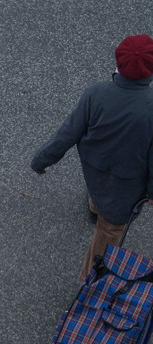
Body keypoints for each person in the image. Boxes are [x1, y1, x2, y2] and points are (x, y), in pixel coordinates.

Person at [31, 34, 153, 280]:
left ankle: (95, 205)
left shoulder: (96, 93)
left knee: (99, 193)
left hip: (95, 169)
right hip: (125, 185)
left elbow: (67, 133)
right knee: (107, 238)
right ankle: (91, 286)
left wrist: (41, 161)